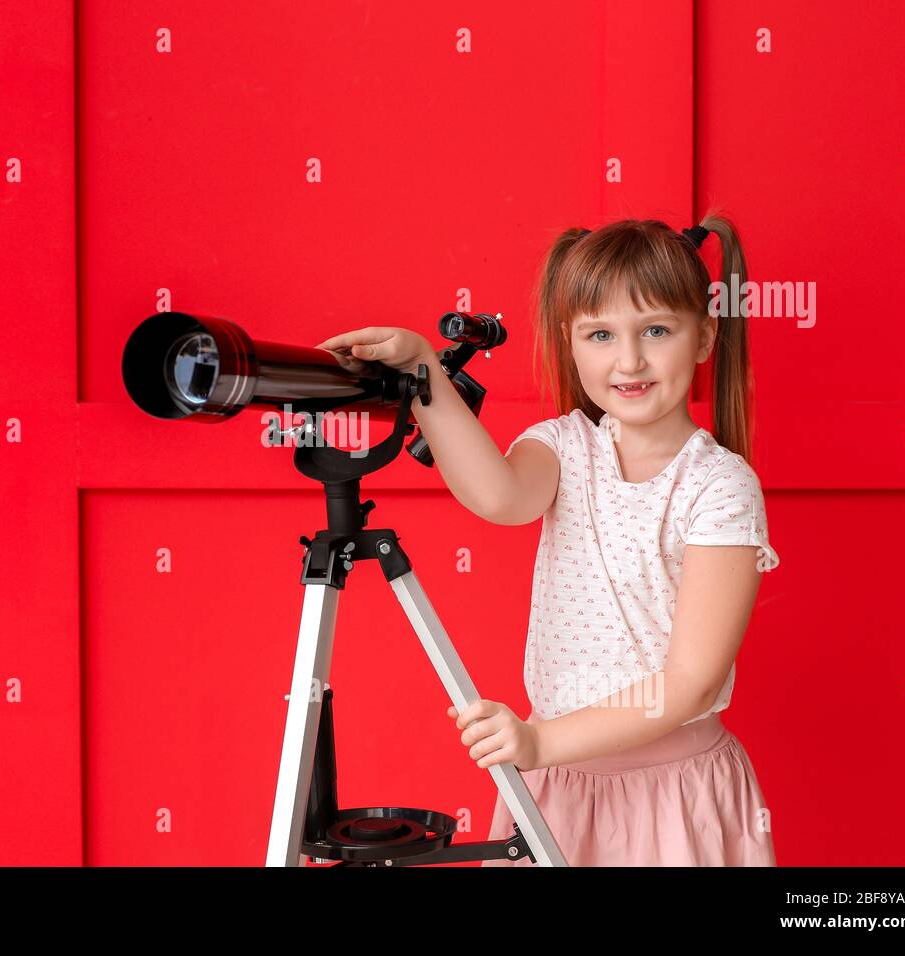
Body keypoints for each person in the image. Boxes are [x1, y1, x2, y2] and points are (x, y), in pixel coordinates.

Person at [314, 215, 779, 866]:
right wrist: (424, 370)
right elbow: (499, 496)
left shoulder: (720, 487)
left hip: (672, 795)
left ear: (704, 337)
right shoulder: (563, 446)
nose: (630, 360)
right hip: (557, 789)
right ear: (572, 342)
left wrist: (539, 743)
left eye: (656, 330)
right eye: (600, 334)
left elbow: (692, 682)